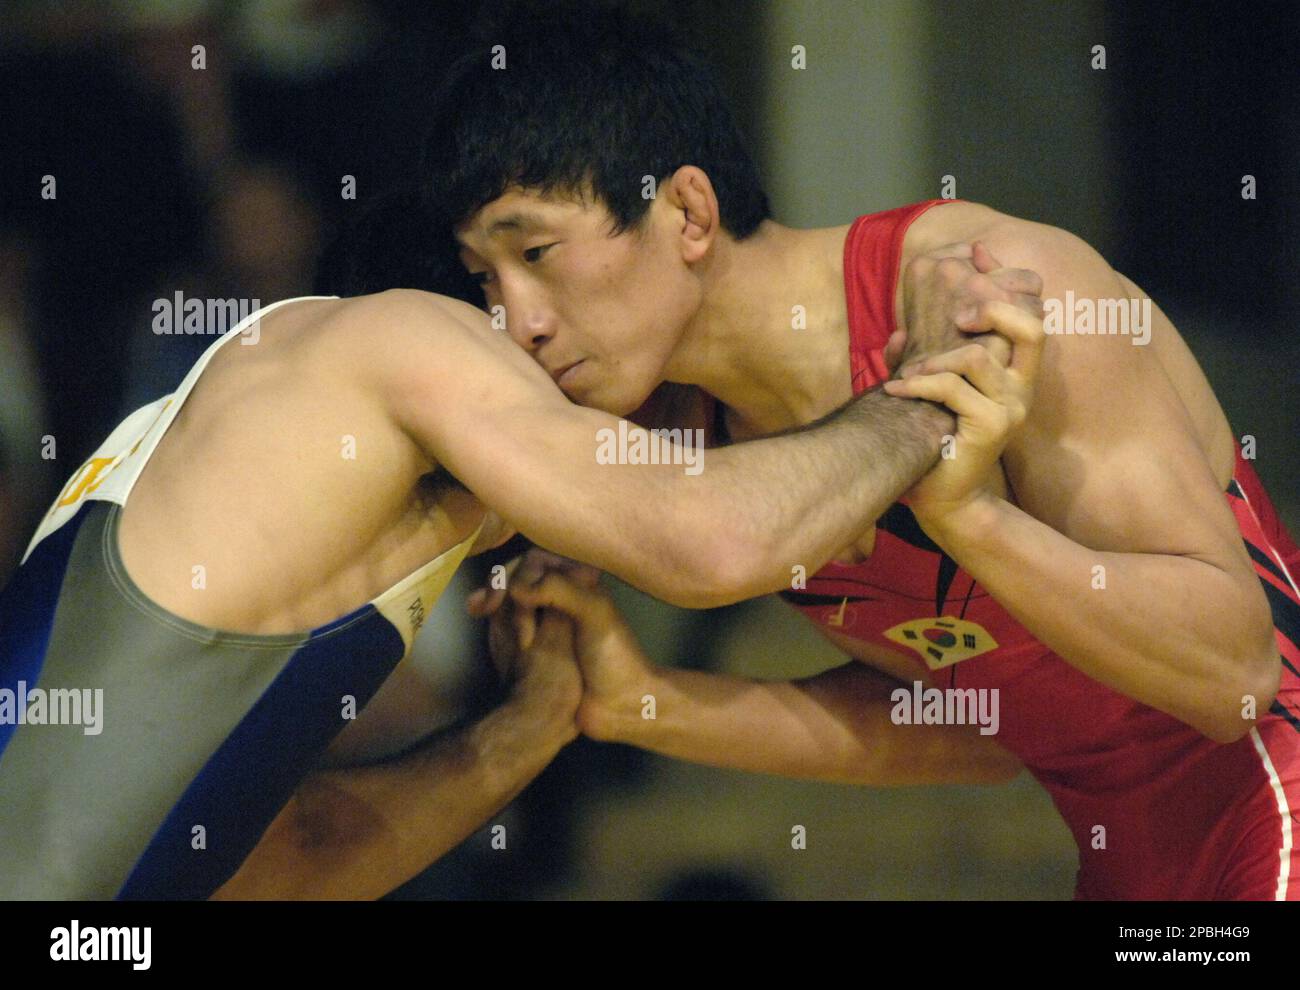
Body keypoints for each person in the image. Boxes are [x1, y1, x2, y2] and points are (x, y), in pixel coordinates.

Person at [445, 2, 1299, 899]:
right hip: (1128, 870)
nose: (518, 321)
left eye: (536, 251)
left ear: (688, 210)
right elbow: (980, 733)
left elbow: (1236, 677)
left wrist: (965, 515)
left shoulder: (996, 287)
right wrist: (645, 702)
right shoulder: (724, 438)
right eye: (484, 280)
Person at [0, 231, 1036, 898]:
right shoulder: (403, 343)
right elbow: (715, 538)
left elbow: (290, 864)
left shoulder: (240, 484)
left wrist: (527, 725)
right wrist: (932, 390)